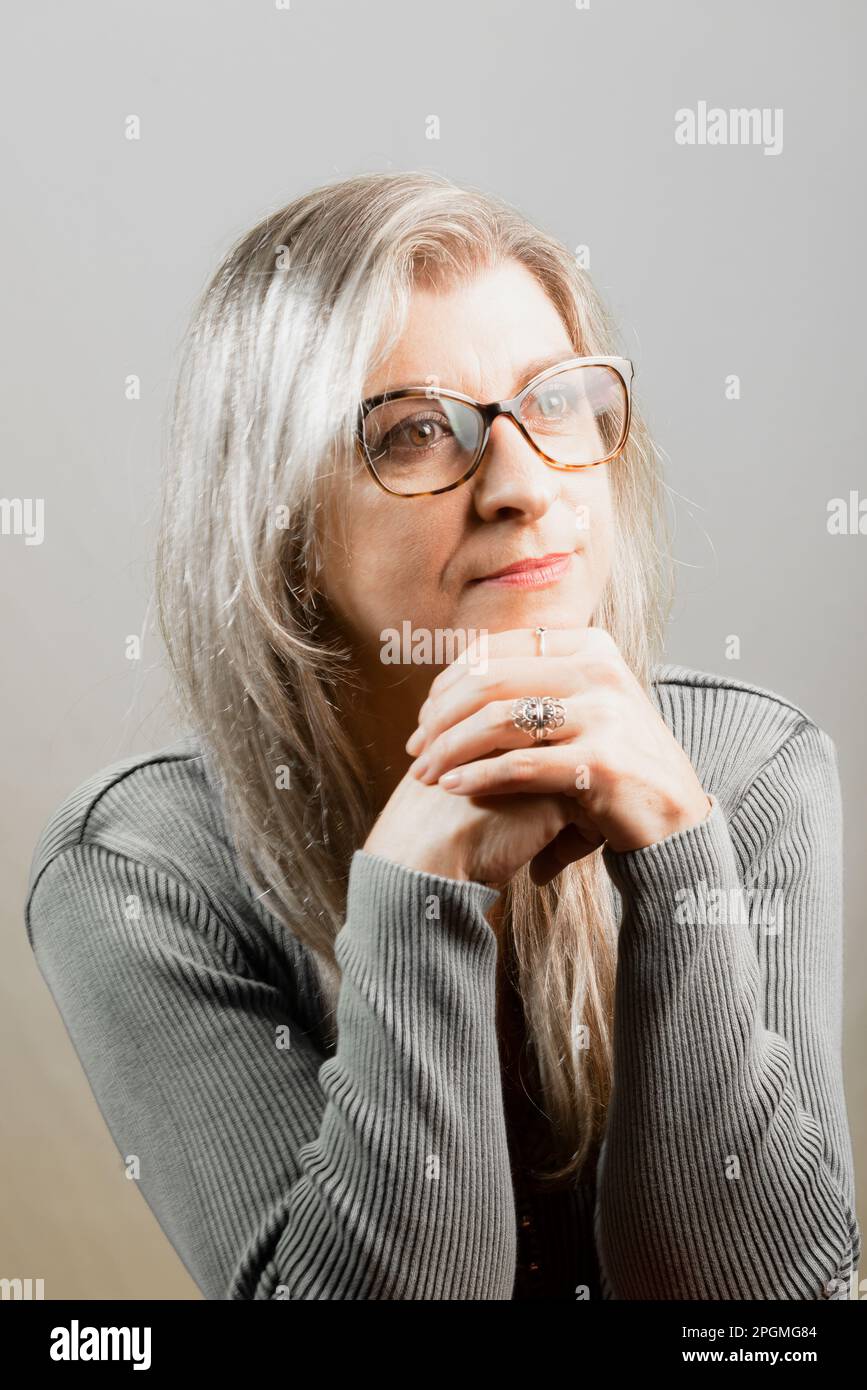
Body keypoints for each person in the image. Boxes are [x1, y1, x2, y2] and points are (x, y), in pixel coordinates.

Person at [24, 170, 861, 1300]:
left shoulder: (751, 773)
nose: (522, 483)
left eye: (557, 401)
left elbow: (764, 1317)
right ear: (282, 525)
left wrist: (677, 856)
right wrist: (419, 896)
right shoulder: (141, 871)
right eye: (418, 430)